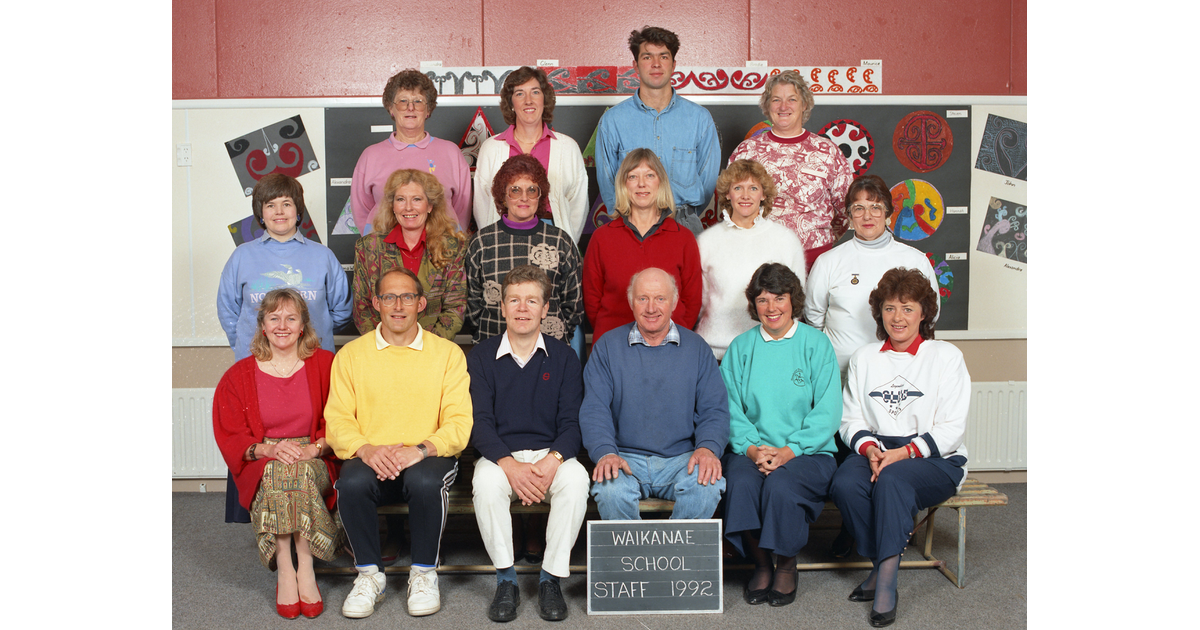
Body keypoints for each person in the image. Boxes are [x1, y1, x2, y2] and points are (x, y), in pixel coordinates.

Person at [325, 268, 474, 619]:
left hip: (427, 453)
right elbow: (338, 419)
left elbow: (458, 423)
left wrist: (419, 450)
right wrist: (367, 449)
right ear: (376, 303)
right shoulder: (351, 355)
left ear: (421, 303)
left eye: (406, 296)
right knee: (352, 482)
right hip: (371, 453)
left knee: (424, 481)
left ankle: (423, 572)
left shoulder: (447, 354)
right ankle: (369, 576)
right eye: (389, 297)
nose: (398, 305)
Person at [829, 267, 970, 628]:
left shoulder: (945, 356)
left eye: (908, 308)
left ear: (924, 313)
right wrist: (872, 450)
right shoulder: (865, 357)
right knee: (845, 483)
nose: (898, 317)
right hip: (878, 449)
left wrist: (902, 454)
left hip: (935, 458)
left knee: (893, 482)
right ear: (880, 314)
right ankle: (879, 565)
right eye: (890, 308)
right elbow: (851, 420)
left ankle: (886, 583)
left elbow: (952, 429)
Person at [467, 265, 589, 622]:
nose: (523, 308)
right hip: (500, 456)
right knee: (485, 484)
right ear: (502, 307)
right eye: (515, 300)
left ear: (545, 308)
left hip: (550, 454)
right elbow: (480, 423)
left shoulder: (564, 357)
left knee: (577, 480)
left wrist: (553, 461)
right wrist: (509, 465)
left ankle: (551, 578)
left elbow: (572, 424)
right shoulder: (481, 357)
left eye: (531, 301)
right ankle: (506, 580)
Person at [212, 288, 343, 619]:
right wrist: (268, 449)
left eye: (291, 318)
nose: (282, 325)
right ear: (262, 326)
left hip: (317, 453)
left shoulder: (326, 365)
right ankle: (288, 566)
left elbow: (344, 418)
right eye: (274, 318)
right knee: (279, 471)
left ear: (303, 326)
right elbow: (230, 431)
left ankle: (305, 567)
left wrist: (313, 448)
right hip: (263, 458)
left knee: (296, 470)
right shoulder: (239, 375)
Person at [718, 263, 841, 607]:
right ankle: (760, 564)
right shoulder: (741, 348)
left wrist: (789, 451)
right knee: (741, 484)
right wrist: (753, 450)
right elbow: (729, 408)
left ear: (794, 301)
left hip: (809, 453)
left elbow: (828, 412)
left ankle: (786, 565)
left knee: (780, 485)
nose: (771, 308)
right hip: (751, 450)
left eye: (779, 298)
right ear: (753, 304)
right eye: (762, 299)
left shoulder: (816, 345)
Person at [580, 268, 729, 520]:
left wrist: (707, 448)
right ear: (631, 302)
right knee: (610, 491)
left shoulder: (697, 348)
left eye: (660, 298)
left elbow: (714, 410)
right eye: (642, 298)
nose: (651, 307)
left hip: (683, 459)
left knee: (708, 485)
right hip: (624, 457)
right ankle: (634, 559)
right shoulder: (607, 347)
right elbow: (595, 410)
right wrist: (606, 452)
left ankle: (674, 558)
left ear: (673, 301)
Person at [804, 175, 939, 378]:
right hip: (840, 374)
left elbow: (930, 315)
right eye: (859, 208)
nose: (867, 216)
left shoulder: (915, 260)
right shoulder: (828, 262)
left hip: (900, 371)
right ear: (850, 215)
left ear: (887, 213)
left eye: (875, 207)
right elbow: (813, 317)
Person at [595, 26, 719, 236]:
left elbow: (708, 182)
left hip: (684, 224)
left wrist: (685, 215)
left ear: (673, 64)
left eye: (663, 56)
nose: (656, 64)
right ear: (635, 65)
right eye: (647, 57)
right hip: (630, 225)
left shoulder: (700, 119)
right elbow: (607, 181)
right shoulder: (613, 120)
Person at [217, 173, 351, 361]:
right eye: (270, 205)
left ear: (298, 211)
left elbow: (341, 312)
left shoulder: (323, 256)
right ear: (261, 213)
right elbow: (227, 312)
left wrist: (315, 333)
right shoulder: (241, 256)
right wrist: (247, 345)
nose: (279, 211)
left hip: (312, 359)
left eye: (286, 204)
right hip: (256, 360)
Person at [729, 70, 854, 271]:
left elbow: (845, 208)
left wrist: (819, 239)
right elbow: (730, 204)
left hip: (816, 258)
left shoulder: (828, 152)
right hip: (760, 256)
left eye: (792, 99)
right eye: (776, 100)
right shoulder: (747, 151)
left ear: (804, 104)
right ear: (767, 105)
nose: (784, 107)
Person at [582, 148, 702, 342]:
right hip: (613, 345)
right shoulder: (602, 238)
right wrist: (613, 338)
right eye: (632, 177)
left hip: (669, 346)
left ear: (660, 183)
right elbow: (592, 300)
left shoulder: (684, 239)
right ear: (623, 185)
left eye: (649, 175)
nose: (641, 184)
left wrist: (666, 337)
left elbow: (692, 301)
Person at [695, 159, 807, 360]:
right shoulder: (707, 241)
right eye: (738, 188)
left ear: (763, 194)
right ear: (728, 194)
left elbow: (796, 304)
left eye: (753, 188)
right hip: (715, 353)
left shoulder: (786, 240)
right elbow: (699, 302)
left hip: (769, 352)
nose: (745, 196)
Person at [466, 155, 582, 345]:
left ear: (540, 195)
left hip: (549, 349)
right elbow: (472, 304)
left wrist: (557, 339)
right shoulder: (482, 242)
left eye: (532, 190)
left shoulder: (560, 241)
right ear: (503, 195)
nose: (524, 197)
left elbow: (573, 304)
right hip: (493, 345)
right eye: (515, 190)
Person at [472, 66, 588, 244]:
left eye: (535, 92)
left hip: (554, 237)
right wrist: (493, 243)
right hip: (502, 236)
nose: (528, 101)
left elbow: (578, 205)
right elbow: (482, 204)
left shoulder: (568, 147)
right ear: (511, 103)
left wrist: (566, 243)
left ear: (544, 99)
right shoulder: (491, 148)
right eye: (519, 94)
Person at [350, 69, 471, 232]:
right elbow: (361, 210)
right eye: (403, 101)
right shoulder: (371, 156)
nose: (410, 108)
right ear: (391, 109)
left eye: (418, 101)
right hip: (386, 250)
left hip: (442, 248)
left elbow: (462, 208)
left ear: (428, 110)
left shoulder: (451, 152)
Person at [352, 169, 467, 340]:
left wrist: (425, 348)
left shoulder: (451, 248)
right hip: (382, 351)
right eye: (400, 199)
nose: (408, 207)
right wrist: (385, 345)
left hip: (432, 351)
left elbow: (455, 308)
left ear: (429, 206)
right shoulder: (368, 247)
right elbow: (363, 308)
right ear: (392, 206)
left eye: (417, 199)